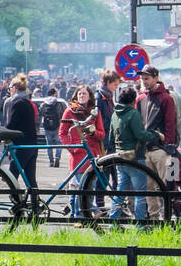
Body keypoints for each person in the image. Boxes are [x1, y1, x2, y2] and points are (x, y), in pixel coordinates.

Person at [109, 84, 163, 221]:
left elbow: (110, 138)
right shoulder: (133, 114)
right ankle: (140, 224)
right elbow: (140, 134)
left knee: (120, 191)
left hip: (119, 157)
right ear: (133, 101)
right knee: (140, 193)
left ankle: (113, 221)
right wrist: (155, 135)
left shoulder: (115, 114)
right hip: (135, 158)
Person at [138, 66, 177, 218]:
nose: (144, 81)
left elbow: (170, 124)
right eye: (143, 79)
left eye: (147, 78)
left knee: (166, 186)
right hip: (146, 150)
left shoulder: (166, 98)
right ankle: (154, 219)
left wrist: (168, 145)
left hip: (161, 150)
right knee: (148, 187)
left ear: (156, 78)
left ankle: (167, 216)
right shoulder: (140, 98)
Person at [59, 85, 103, 218]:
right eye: (79, 94)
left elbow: (101, 134)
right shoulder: (69, 111)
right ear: (75, 96)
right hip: (77, 156)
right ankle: (80, 215)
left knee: (89, 188)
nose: (82, 96)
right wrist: (72, 147)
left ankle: (84, 215)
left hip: (92, 155)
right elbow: (62, 133)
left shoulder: (95, 113)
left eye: (84, 94)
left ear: (90, 97)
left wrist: (93, 132)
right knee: (78, 188)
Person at [3, 73, 39, 193]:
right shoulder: (27, 101)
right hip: (32, 145)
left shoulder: (17, 103)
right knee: (30, 180)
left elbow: (11, 125)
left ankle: (16, 205)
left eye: (9, 88)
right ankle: (36, 205)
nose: (9, 91)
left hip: (22, 145)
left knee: (11, 177)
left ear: (15, 88)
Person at [38, 87, 66, 168]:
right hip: (58, 126)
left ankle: (51, 161)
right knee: (58, 143)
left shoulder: (44, 104)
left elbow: (40, 115)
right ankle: (57, 157)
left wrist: (37, 127)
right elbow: (64, 114)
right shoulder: (59, 102)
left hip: (47, 127)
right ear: (55, 94)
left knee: (49, 144)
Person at [97, 72, 120, 155]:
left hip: (109, 136)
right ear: (108, 82)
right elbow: (98, 120)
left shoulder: (108, 96)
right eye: (115, 84)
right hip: (104, 138)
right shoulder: (99, 98)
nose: (116, 87)